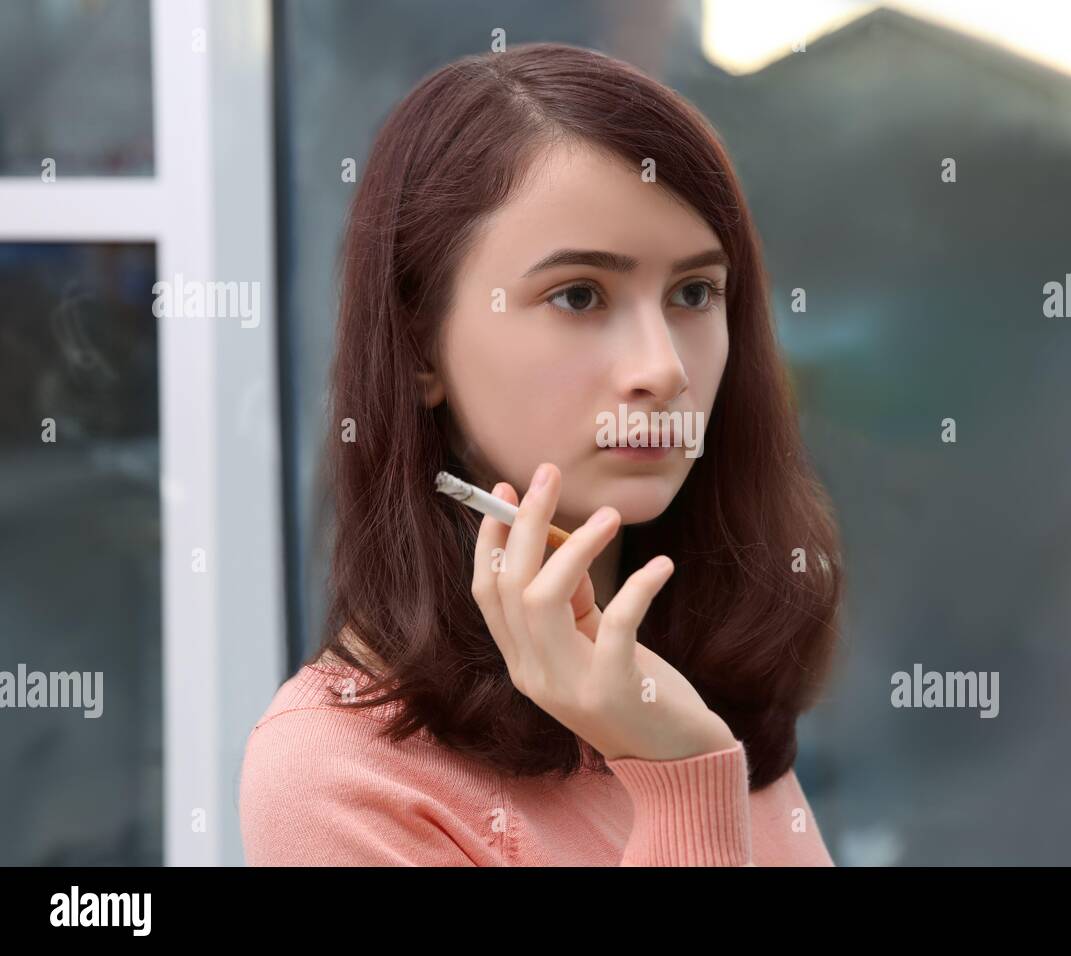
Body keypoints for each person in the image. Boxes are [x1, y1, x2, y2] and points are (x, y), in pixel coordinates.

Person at [240, 41, 843, 866]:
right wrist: (679, 775)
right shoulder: (338, 779)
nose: (663, 368)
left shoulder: (698, 682)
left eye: (695, 293)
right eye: (579, 295)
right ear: (419, 348)